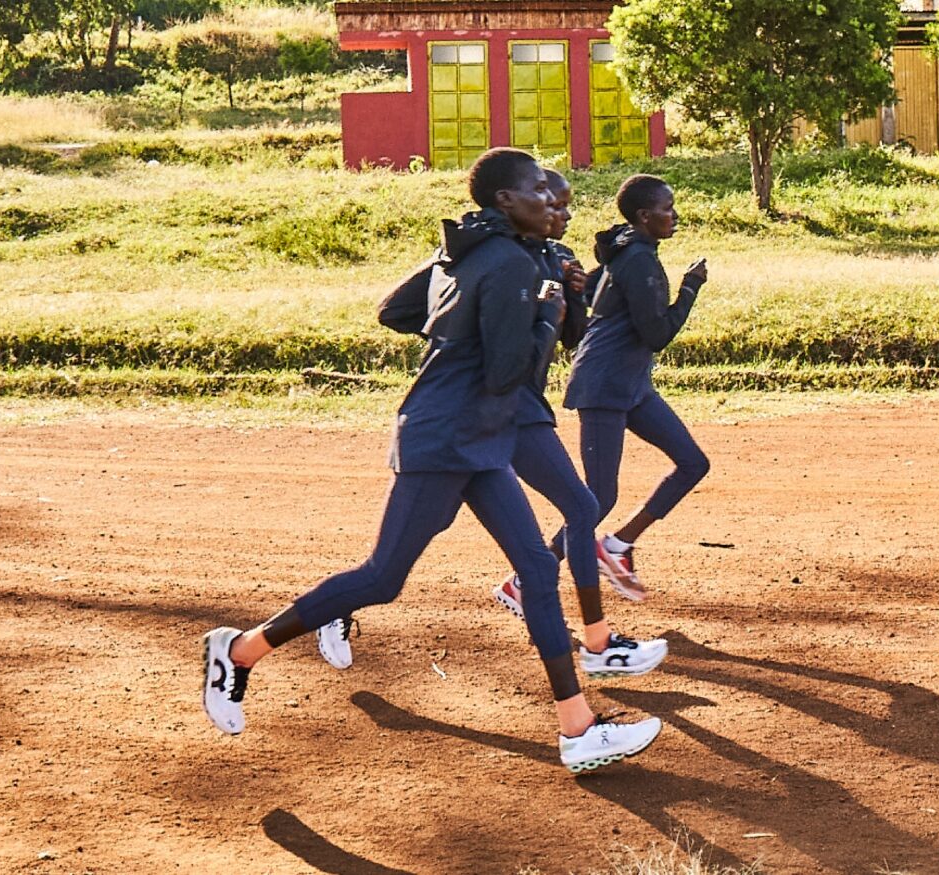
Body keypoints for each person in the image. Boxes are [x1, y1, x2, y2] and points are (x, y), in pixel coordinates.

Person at [202, 148, 663, 774]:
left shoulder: (492, 252)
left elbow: (421, 319)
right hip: (447, 437)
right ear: (505, 201)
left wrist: (512, 311)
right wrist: (545, 315)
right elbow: (506, 372)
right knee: (383, 578)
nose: (553, 202)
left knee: (534, 566)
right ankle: (243, 649)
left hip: (482, 436)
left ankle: (578, 729)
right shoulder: (505, 262)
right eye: (539, 190)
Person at [330, 168, 666, 680]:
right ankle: (596, 645)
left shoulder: (553, 258)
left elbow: (568, 334)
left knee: (570, 509)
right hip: (483, 406)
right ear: (513, 203)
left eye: (564, 202)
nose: (563, 211)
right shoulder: (484, 255)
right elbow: (394, 312)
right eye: (553, 198)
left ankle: (590, 644)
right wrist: (466, 325)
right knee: (574, 506)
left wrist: (568, 294)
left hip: (519, 407)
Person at [562, 174, 712, 600]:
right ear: (645, 217)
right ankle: (524, 578)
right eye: (667, 208)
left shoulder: (629, 250)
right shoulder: (639, 260)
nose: (675, 215)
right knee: (597, 497)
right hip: (604, 384)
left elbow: (595, 296)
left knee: (692, 463)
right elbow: (657, 334)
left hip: (630, 385)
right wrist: (689, 288)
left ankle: (618, 544)